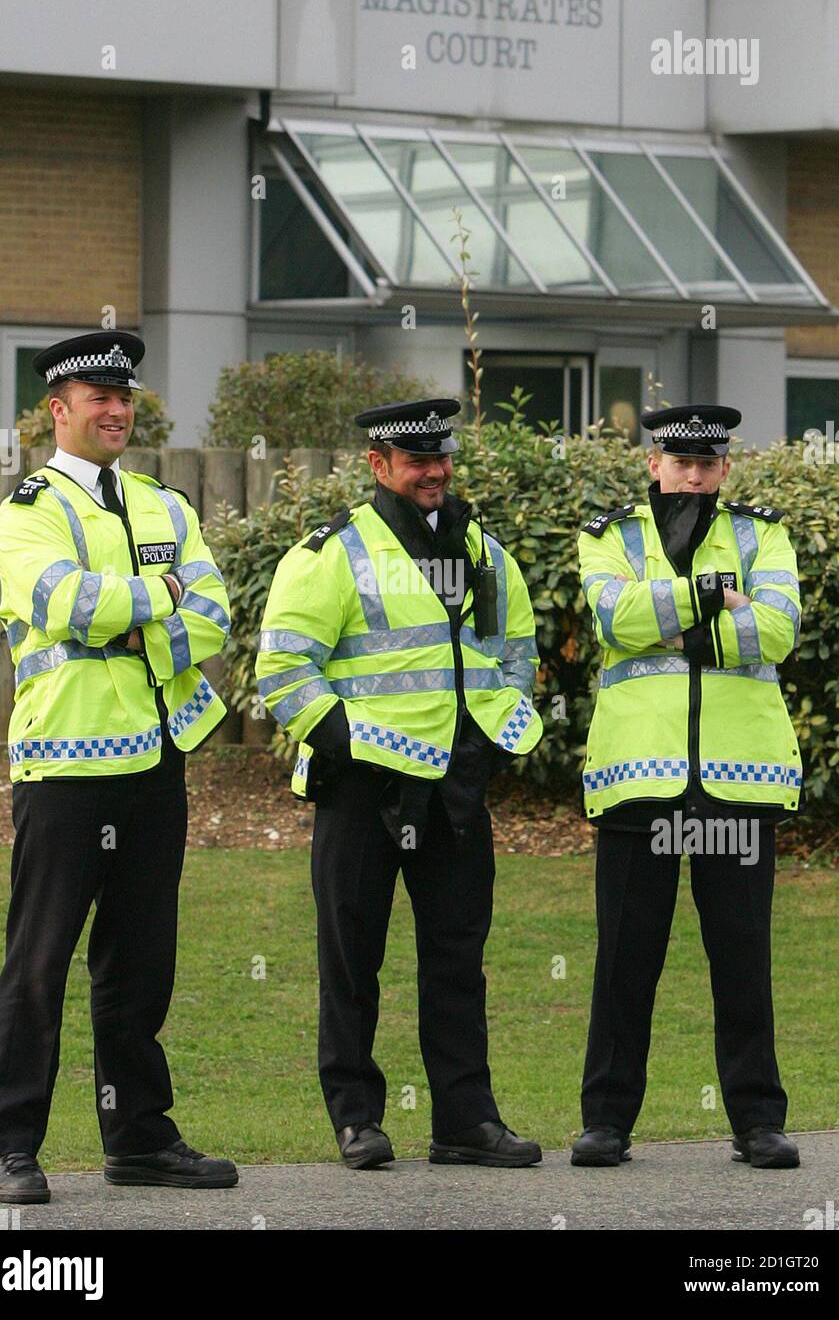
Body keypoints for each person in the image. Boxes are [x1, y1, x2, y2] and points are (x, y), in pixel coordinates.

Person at [255, 398, 544, 1168]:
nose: (435, 472)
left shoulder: (483, 551)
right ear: (379, 466)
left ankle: (464, 1122)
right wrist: (357, 748)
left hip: (454, 790)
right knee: (351, 960)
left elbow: (516, 651)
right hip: (363, 794)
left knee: (457, 960)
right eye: (417, 460)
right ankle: (357, 1120)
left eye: (442, 458)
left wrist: (492, 739)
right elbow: (282, 670)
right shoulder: (332, 553)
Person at [0, 331, 238, 1203]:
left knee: (139, 964)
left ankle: (138, 1138)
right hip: (63, 766)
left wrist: (137, 616)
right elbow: (60, 601)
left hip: (154, 764)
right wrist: (155, 603)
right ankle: (14, 1146)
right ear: (58, 410)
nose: (116, 410)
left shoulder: (166, 506)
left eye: (125, 397)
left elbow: (215, 614)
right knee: (40, 961)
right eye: (98, 398)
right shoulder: (29, 508)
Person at [572, 404, 802, 1170]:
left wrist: (672, 616)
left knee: (742, 958)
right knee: (624, 959)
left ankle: (756, 1122)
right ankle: (604, 1121)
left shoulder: (762, 534)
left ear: (724, 469)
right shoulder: (609, 537)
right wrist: (717, 597)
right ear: (653, 464)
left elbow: (777, 630)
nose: (694, 475)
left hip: (738, 780)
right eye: (680, 461)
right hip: (641, 777)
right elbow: (613, 619)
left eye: (707, 463)